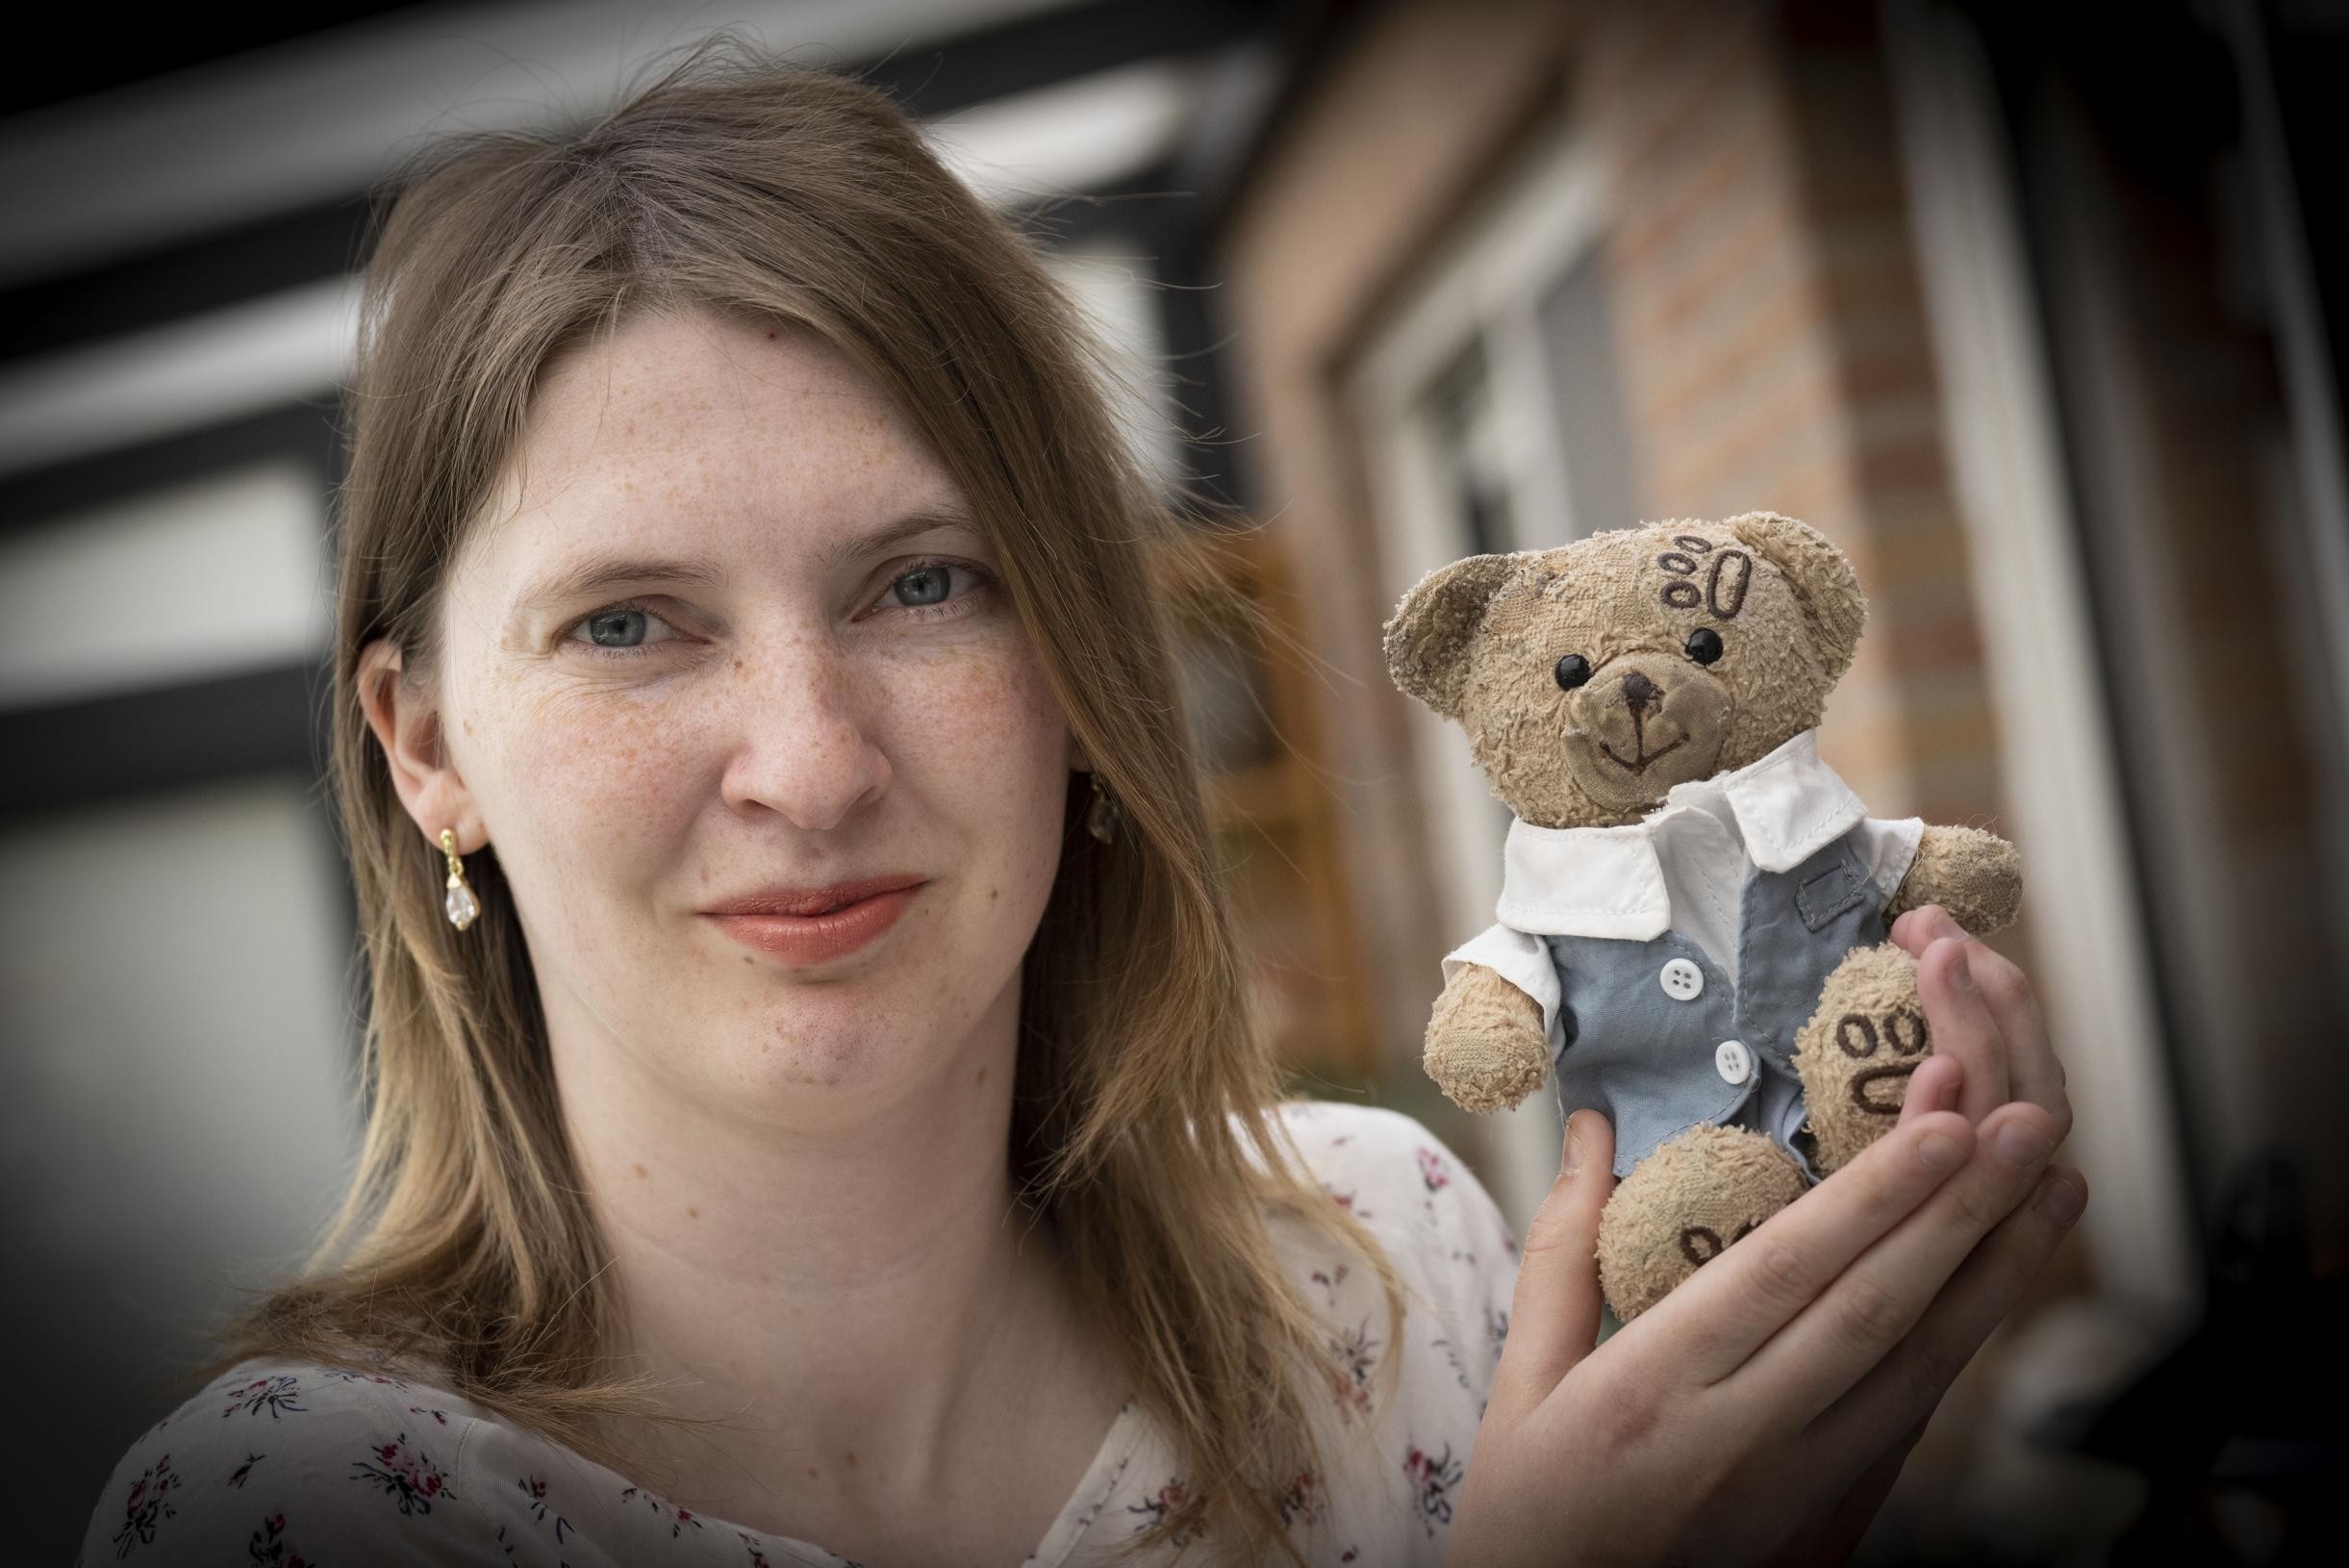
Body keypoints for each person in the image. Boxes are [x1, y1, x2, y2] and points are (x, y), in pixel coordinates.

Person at [79, 42, 2080, 1568]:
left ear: (1078, 668)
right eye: (629, 623)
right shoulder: (293, 1510)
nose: (812, 758)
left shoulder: (1397, 1280)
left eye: (925, 583)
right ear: (424, 744)